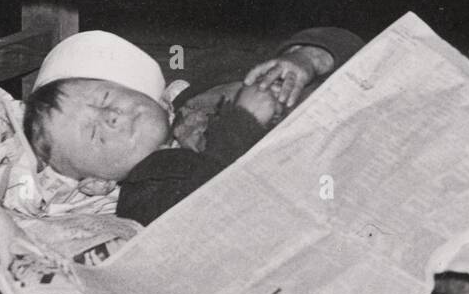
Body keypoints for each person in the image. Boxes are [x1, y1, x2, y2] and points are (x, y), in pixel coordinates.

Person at [21, 27, 362, 225]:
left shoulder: (206, 87)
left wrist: (305, 59)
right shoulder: (145, 191)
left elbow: (352, 44)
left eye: (106, 96)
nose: (109, 116)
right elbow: (206, 215)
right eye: (94, 134)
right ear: (97, 185)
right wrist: (242, 124)